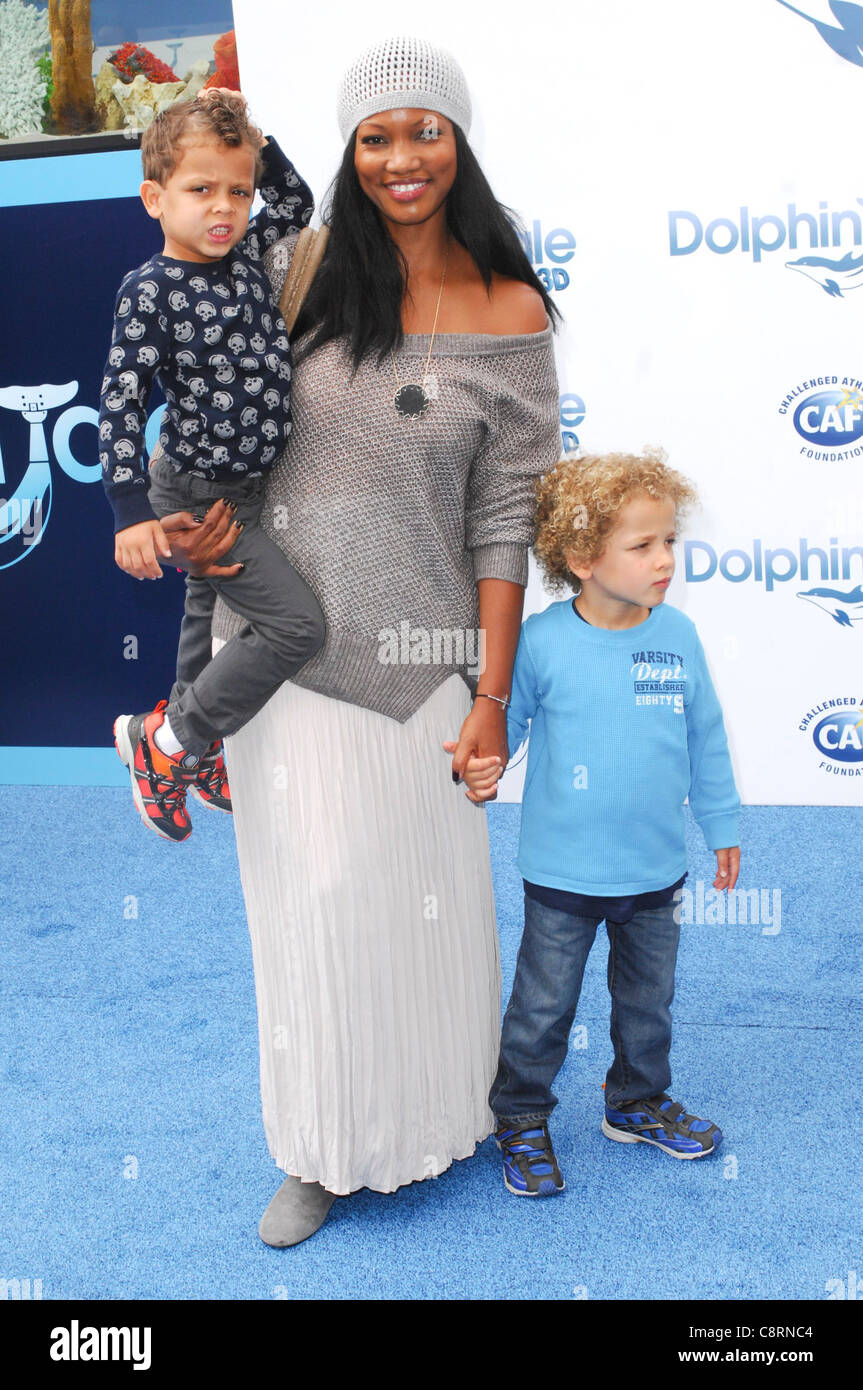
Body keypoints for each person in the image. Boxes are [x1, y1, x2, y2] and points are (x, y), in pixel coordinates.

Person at [167, 35, 561, 1244]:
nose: (402, 158)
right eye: (375, 136)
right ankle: (322, 1147)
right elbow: (194, 405)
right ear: (345, 151)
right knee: (313, 908)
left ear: (459, 141)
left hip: (429, 666)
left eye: (423, 129)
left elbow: (505, 517)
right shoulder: (288, 270)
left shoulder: (511, 307)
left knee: (432, 903)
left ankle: (446, 1113)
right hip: (284, 657)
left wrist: (491, 694)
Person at [461, 449, 741, 1196]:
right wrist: (484, 767)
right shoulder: (542, 641)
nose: (664, 561)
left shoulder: (676, 637)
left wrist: (722, 826)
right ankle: (520, 1116)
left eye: (669, 542)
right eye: (642, 545)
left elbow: (704, 738)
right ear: (582, 557)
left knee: (647, 1001)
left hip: (654, 871)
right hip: (561, 874)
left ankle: (637, 1101)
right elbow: (505, 727)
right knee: (542, 1005)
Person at [100, 91, 325, 843]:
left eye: (237, 190)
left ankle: (189, 742)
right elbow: (122, 403)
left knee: (204, 624)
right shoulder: (150, 289)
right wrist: (131, 513)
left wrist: (257, 141)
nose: (224, 208)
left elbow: (294, 201)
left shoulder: (251, 255)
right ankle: (170, 746)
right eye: (201, 191)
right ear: (154, 199)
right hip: (199, 492)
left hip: (247, 488)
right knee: (295, 627)